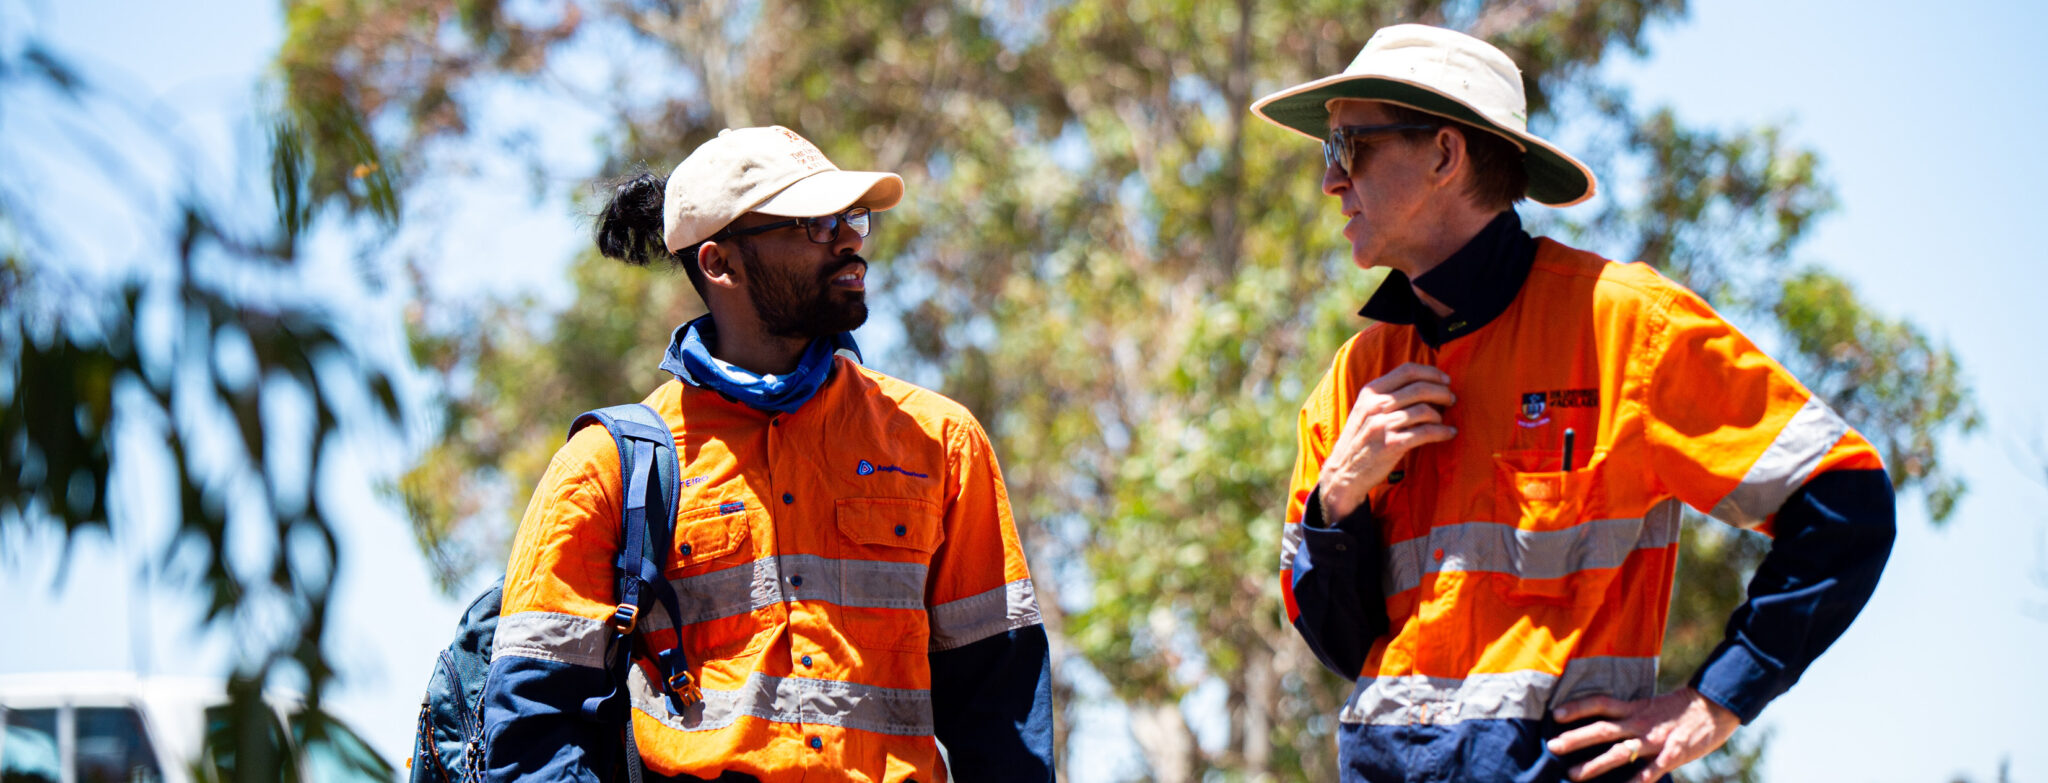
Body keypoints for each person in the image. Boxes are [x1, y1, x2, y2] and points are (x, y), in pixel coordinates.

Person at [1250, 25, 1895, 783]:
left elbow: (1846, 498)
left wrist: (1715, 701)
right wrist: (1337, 500)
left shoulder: (1627, 323)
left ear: (1444, 155)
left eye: (1347, 148)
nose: (1331, 180)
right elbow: (1339, 640)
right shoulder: (1355, 380)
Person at [481, 126, 1055, 782]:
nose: (850, 239)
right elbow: (534, 728)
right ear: (720, 264)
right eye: (813, 224)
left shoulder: (940, 442)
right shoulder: (606, 467)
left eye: (852, 218)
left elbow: (1004, 715)